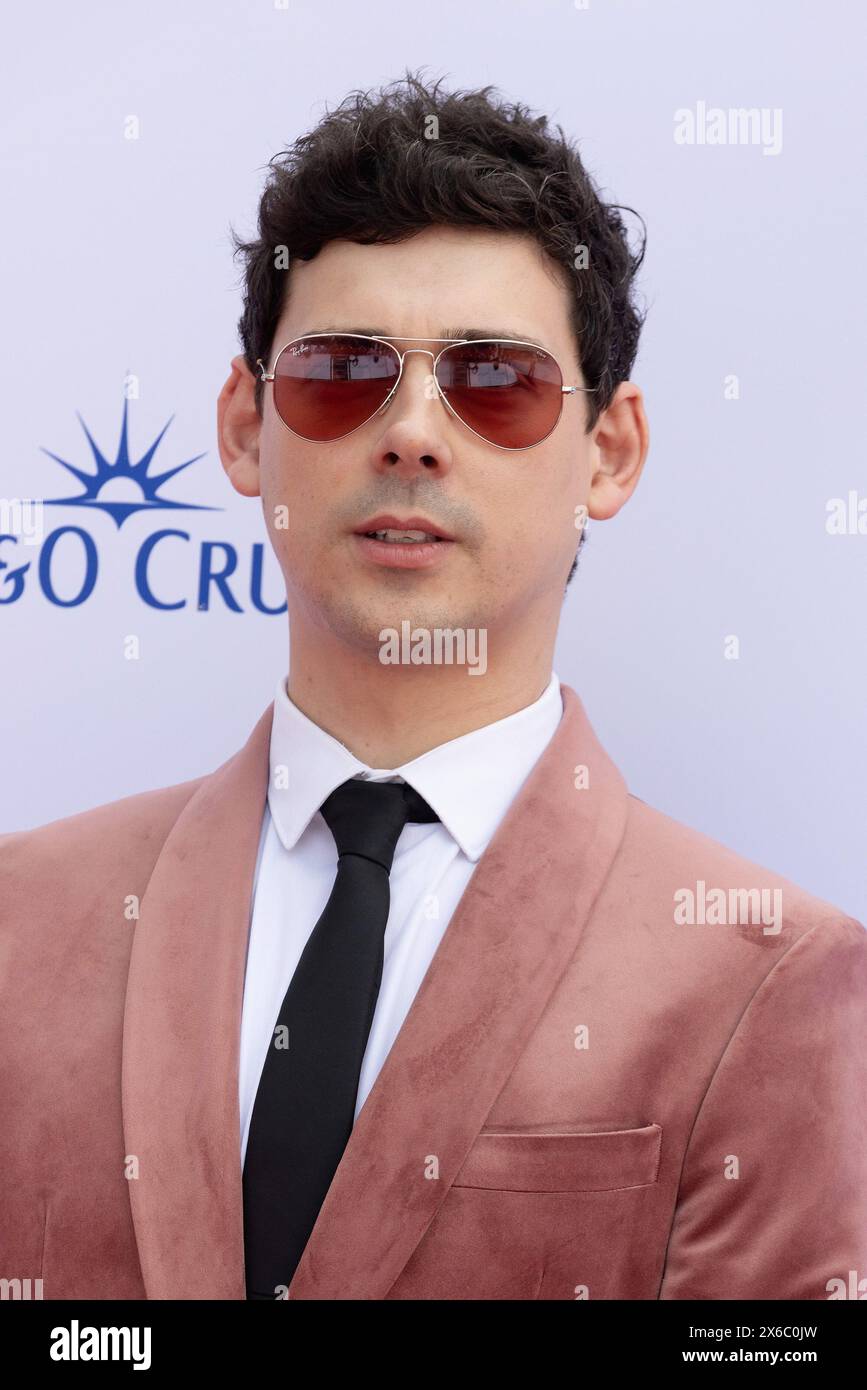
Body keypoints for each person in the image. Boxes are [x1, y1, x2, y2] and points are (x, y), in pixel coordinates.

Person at [2, 71, 864, 1302]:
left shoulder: (770, 982)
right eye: (344, 372)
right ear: (247, 428)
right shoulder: (21, 927)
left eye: (496, 382)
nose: (411, 431)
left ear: (607, 452)